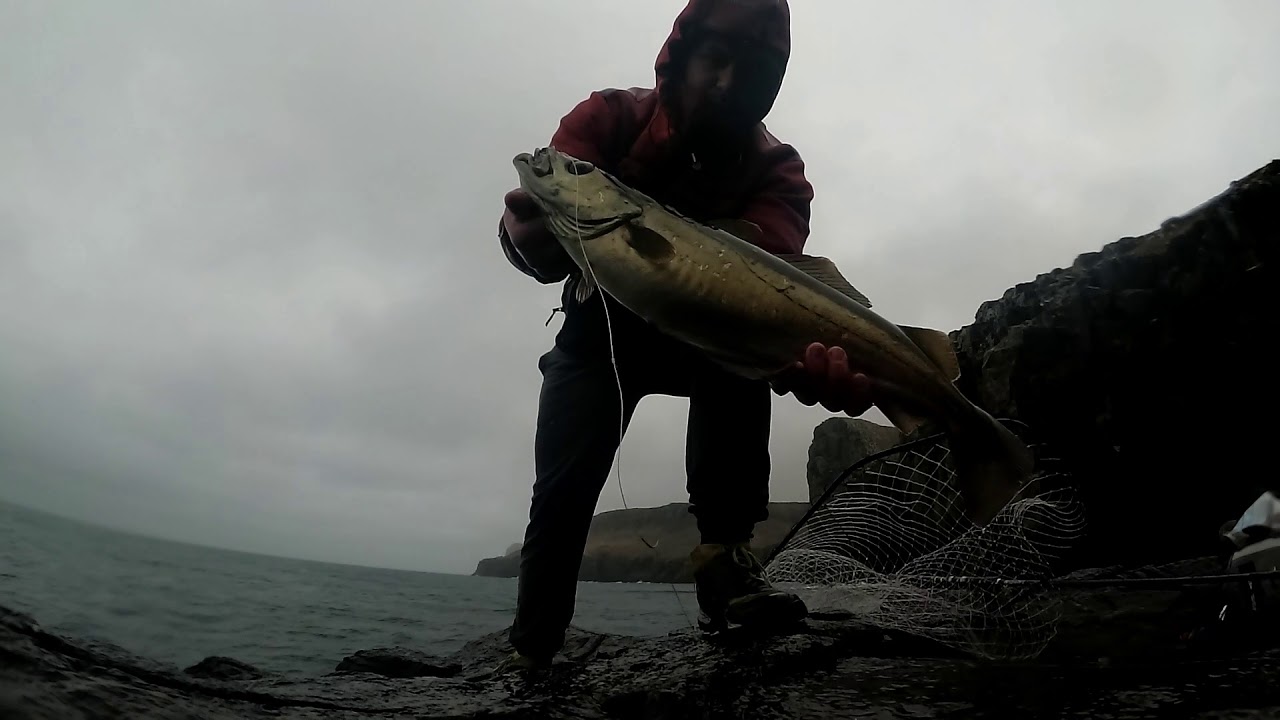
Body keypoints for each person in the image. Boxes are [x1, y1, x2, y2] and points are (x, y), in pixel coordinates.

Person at [496, 0, 875, 670]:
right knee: (559, 494)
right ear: (681, 52)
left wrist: (799, 359)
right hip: (598, 337)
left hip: (712, 335)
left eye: (751, 73)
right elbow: (544, 240)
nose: (728, 83)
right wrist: (523, 236)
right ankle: (534, 647)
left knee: (739, 361)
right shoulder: (607, 118)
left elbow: (767, 292)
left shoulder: (778, 170)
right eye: (715, 61)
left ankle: (725, 577)